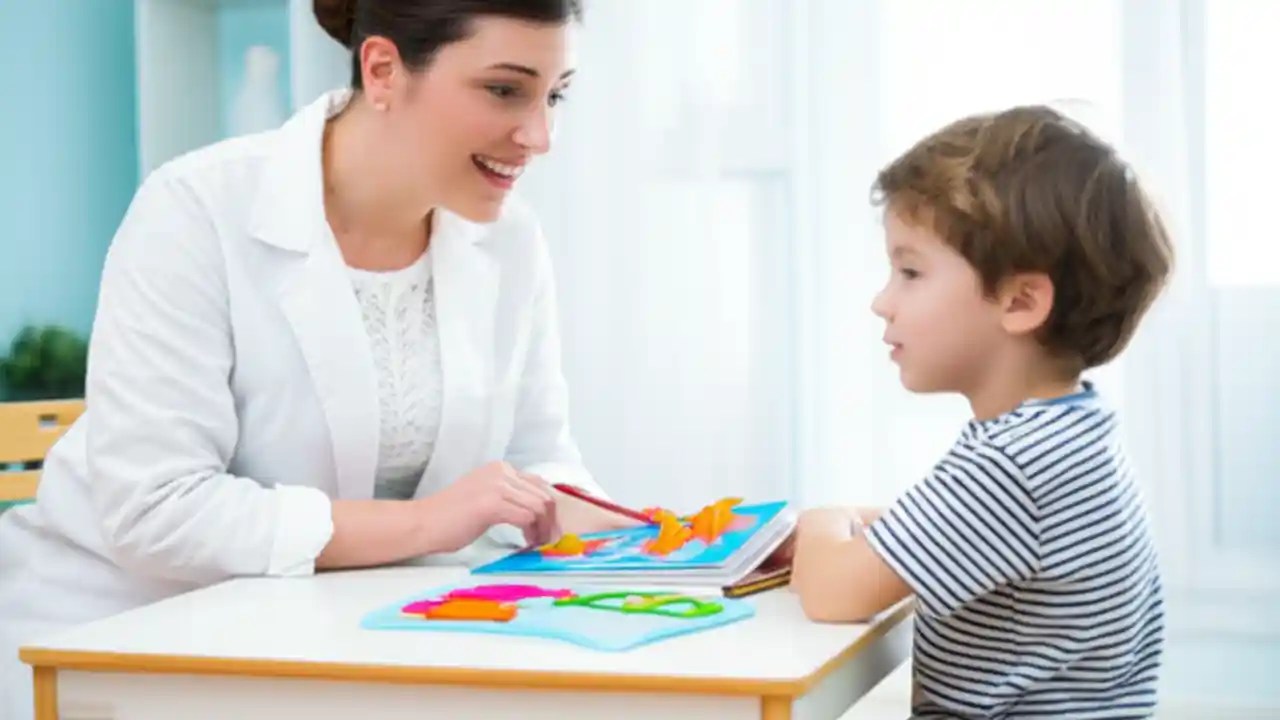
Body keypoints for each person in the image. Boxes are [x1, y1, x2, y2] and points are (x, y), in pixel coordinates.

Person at [0, 1, 633, 715]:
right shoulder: (197, 209)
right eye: (503, 89)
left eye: (555, 96)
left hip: (340, 638)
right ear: (383, 70)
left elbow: (536, 461)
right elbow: (159, 510)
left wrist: (665, 543)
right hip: (118, 641)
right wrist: (429, 524)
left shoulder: (511, 240)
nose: (540, 136)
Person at [788, 106, 1174, 718]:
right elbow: (968, 525)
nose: (882, 302)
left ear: (1020, 302)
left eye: (910, 272)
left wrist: (821, 521)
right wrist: (863, 526)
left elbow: (833, 592)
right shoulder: (1070, 432)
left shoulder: (1014, 462)